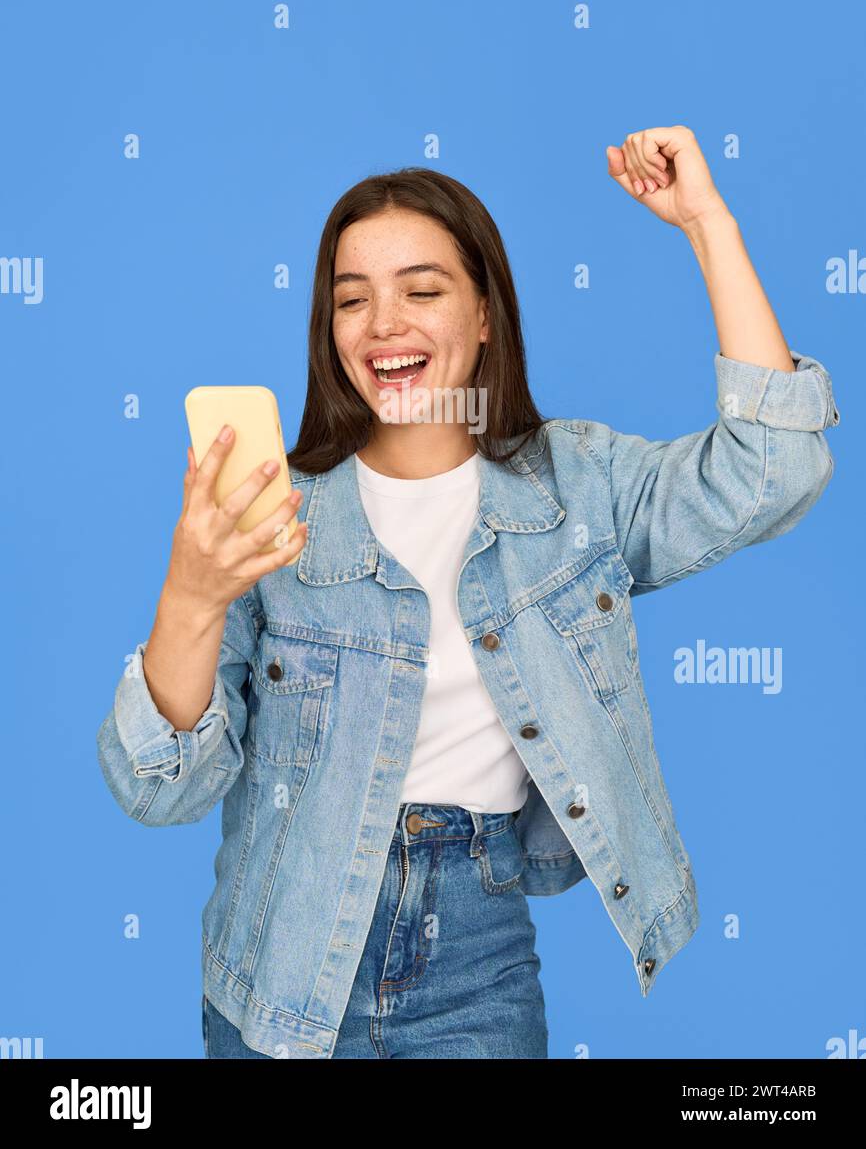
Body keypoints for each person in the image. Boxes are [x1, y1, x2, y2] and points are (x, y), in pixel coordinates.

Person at [97, 127, 839, 1059]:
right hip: (278, 968)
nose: (384, 324)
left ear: (485, 313)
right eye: (352, 300)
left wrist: (706, 223)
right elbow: (158, 792)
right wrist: (193, 593)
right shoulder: (274, 510)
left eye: (422, 290)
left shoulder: (578, 486)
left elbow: (776, 468)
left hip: (476, 965)